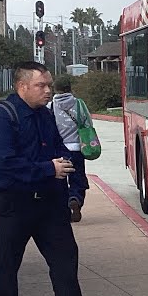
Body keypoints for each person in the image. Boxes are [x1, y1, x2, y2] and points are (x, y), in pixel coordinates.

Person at [0, 61, 103, 296]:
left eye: (49, 84)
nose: (48, 90)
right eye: (41, 85)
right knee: (9, 261)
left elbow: (58, 146)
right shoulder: (2, 117)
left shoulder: (45, 115)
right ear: (22, 87)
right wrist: (49, 169)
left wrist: (66, 162)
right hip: (12, 202)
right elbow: (5, 162)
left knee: (65, 255)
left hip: (48, 200)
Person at [51, 76, 91, 222]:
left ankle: (63, 209)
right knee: (78, 177)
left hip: (59, 150)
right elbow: (88, 123)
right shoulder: (79, 104)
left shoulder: (51, 106)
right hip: (77, 148)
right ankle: (76, 198)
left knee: (60, 179)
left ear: (55, 89)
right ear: (70, 88)